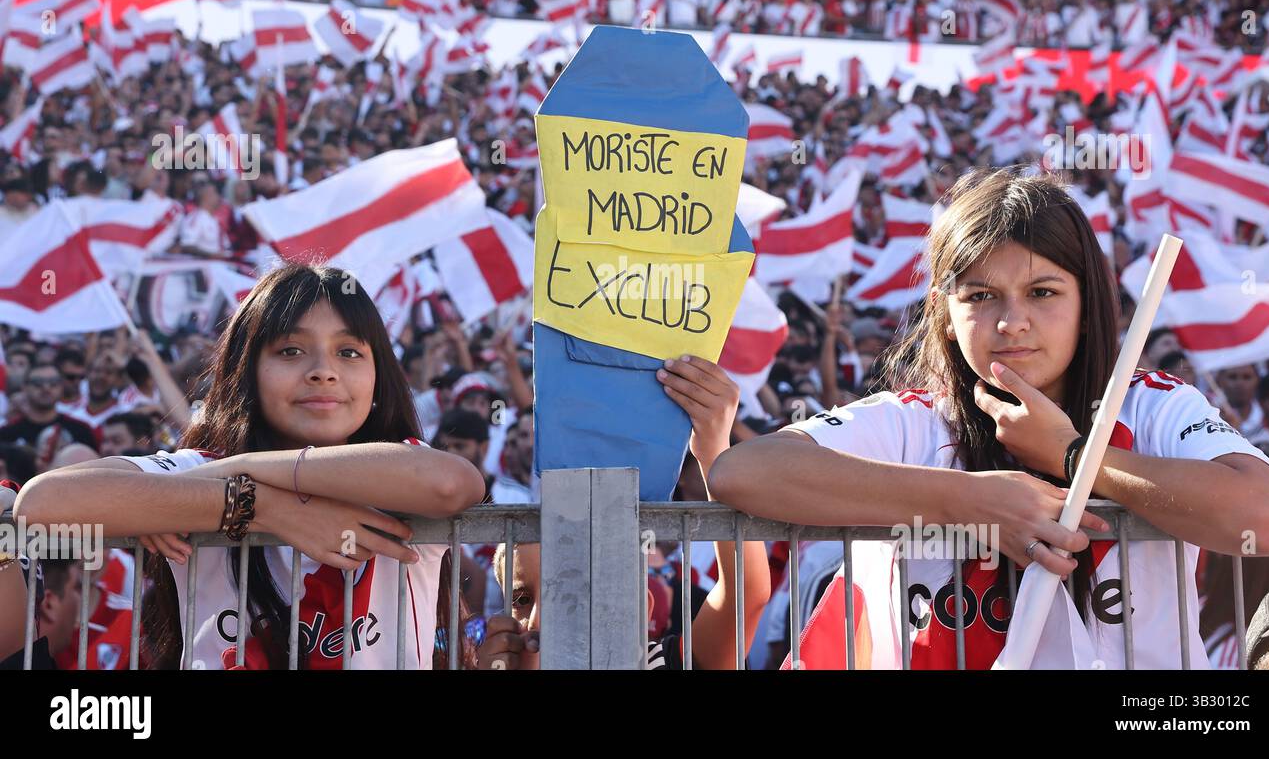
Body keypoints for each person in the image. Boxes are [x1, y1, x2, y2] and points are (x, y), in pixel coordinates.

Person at [708, 168, 1269, 669]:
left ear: (1089, 306)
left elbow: (1262, 520)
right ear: (944, 310)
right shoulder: (916, 421)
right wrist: (972, 500)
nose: (1012, 323)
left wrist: (1071, 454)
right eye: (981, 296)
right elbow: (744, 473)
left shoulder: (1155, 403)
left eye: (1042, 293)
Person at [15, 264, 485, 669]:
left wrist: (240, 469)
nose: (324, 371)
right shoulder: (204, 467)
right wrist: (261, 507)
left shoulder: (398, 469)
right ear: (247, 372)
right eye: (290, 351)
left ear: (379, 376)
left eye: (349, 352)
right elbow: (42, 503)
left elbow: (453, 483)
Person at [478, 358, 771, 669]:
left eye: (572, 589)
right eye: (521, 601)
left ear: (639, 608)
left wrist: (713, 445)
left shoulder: (663, 664)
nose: (538, 620)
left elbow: (746, 594)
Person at [0, 364, 100, 453]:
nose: (46, 388)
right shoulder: (6, 434)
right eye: (38, 383)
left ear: (61, 387)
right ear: (24, 387)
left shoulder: (81, 431)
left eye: (53, 383)